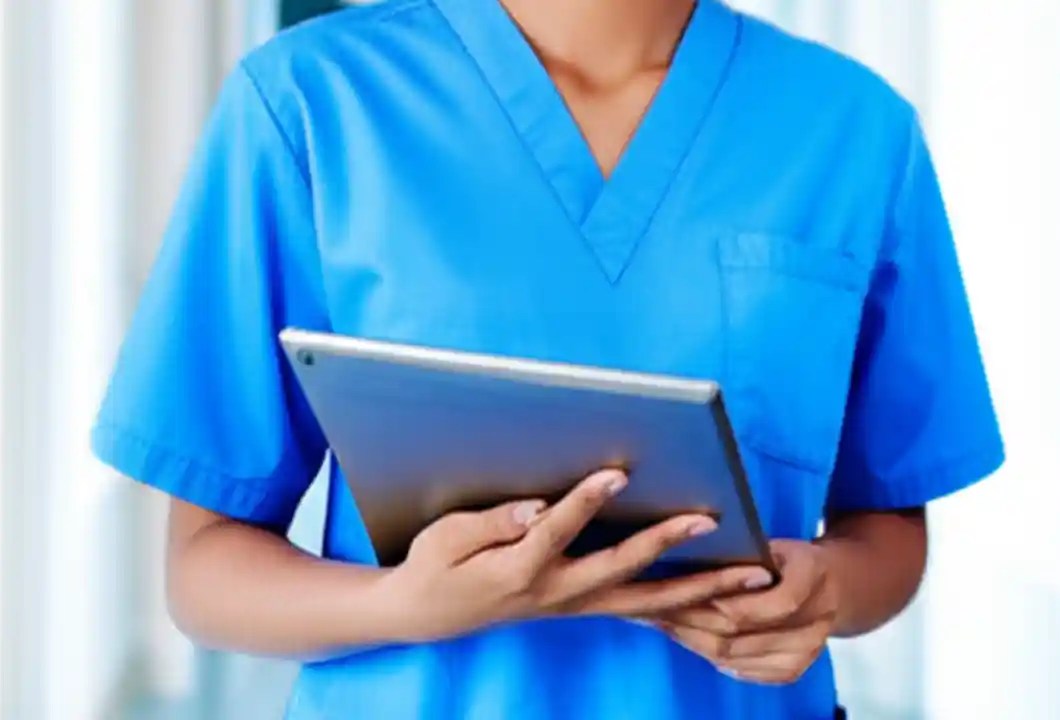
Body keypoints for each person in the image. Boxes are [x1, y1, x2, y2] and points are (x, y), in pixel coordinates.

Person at [92, 0, 1004, 717]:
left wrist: (829, 592)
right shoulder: (309, 106)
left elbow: (888, 531)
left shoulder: (853, 132)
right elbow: (204, 569)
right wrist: (406, 605)